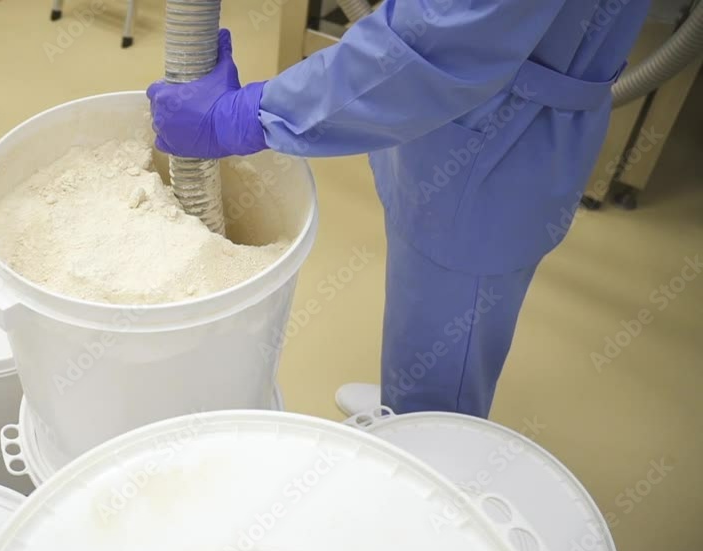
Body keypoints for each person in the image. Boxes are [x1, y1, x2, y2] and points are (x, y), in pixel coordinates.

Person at [148, 0, 652, 418]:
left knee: (452, 331)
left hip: (498, 146)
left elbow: (433, 47)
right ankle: (406, 407)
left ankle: (431, 447)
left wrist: (250, 115)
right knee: (422, 303)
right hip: (461, 123)